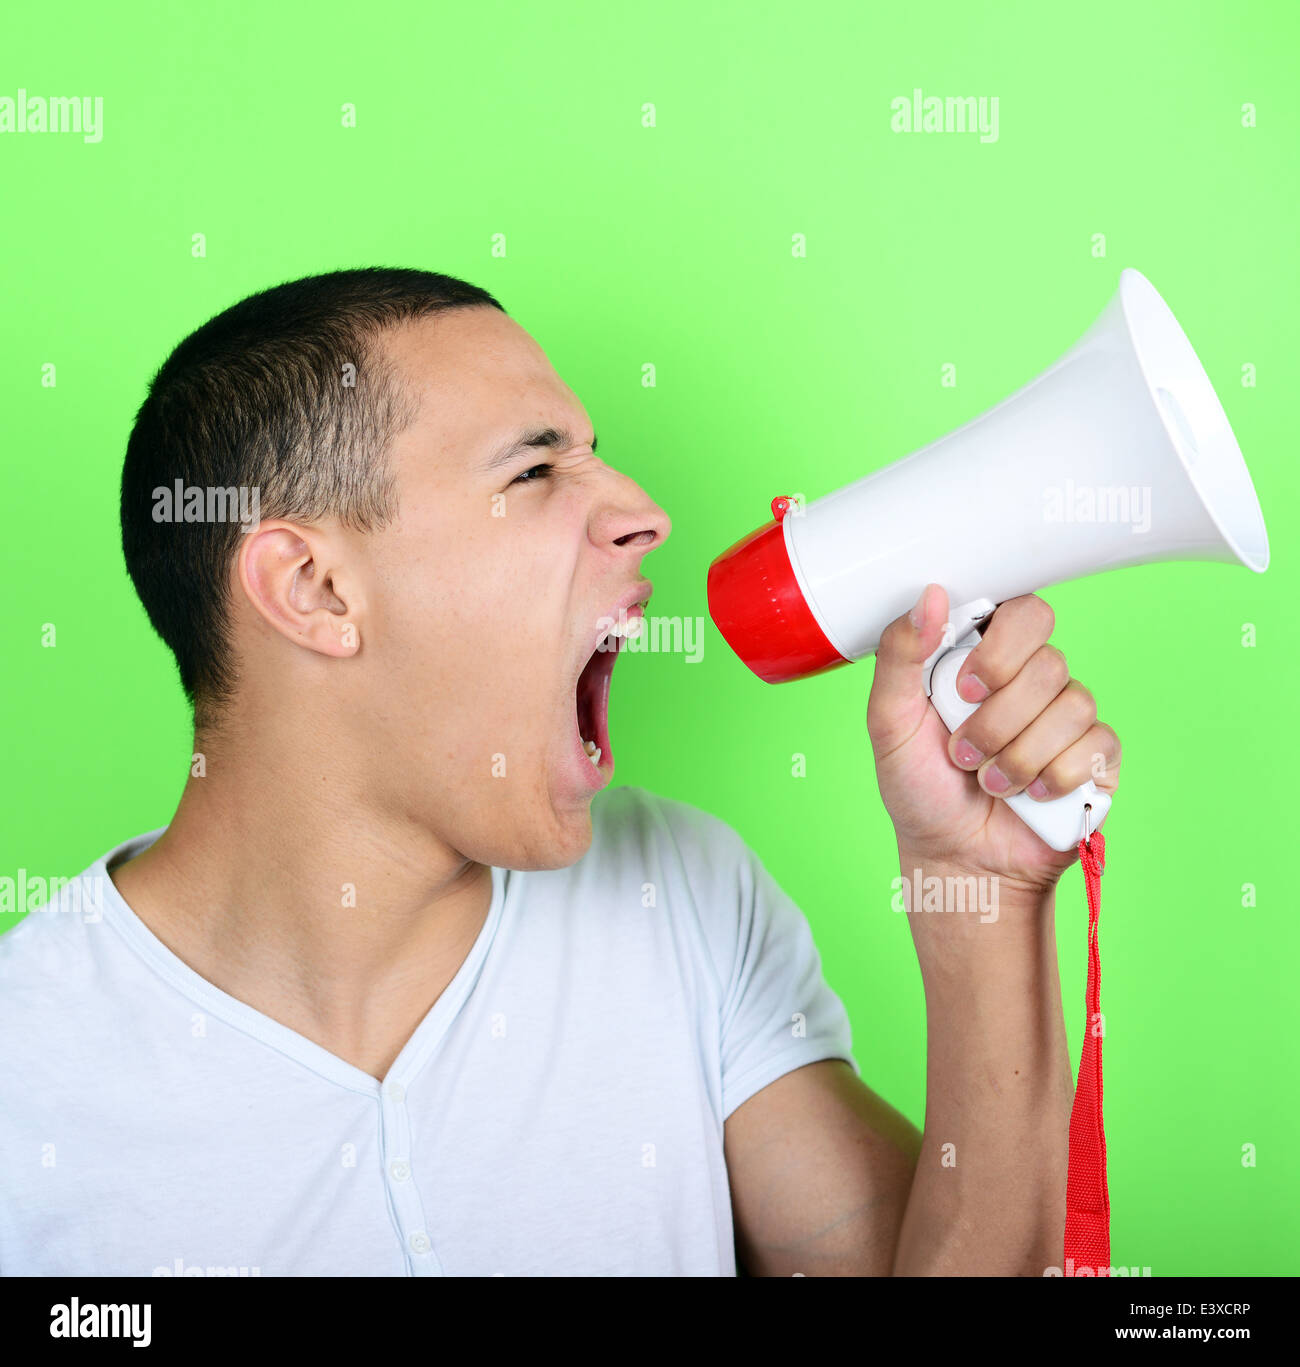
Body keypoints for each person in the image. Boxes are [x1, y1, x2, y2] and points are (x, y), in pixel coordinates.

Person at [0, 268, 1120, 1276]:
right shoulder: (27, 1073)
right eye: (537, 467)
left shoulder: (677, 888)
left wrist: (980, 888)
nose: (644, 513)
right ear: (316, 589)